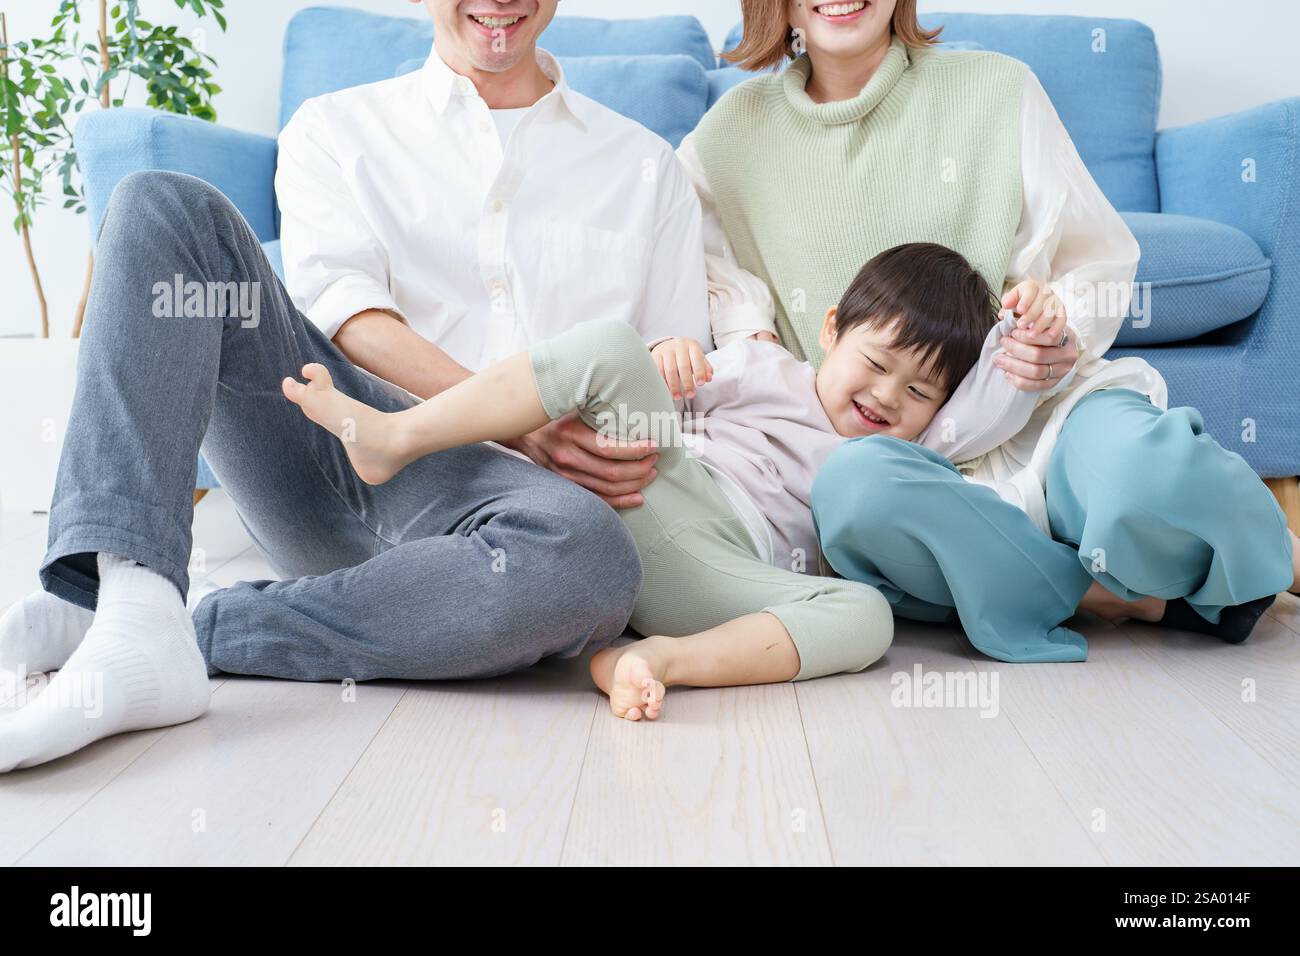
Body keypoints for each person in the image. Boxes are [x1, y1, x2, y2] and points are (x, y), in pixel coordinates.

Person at [0, 0, 708, 772]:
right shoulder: (336, 128)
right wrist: (516, 414)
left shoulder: (645, 166)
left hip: (525, 513)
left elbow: (673, 369)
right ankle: (129, 589)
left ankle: (170, 621)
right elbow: (349, 318)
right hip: (332, 438)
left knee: (593, 562)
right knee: (161, 207)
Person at [280, 242, 1145, 721]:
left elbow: (994, 395)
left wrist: (1027, 313)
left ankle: (656, 660)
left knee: (867, 617)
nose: (886, 397)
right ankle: (398, 435)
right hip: (654, 483)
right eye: (875, 364)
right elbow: (656, 393)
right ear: (830, 329)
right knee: (616, 347)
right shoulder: (766, 367)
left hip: (722, 572)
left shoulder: (910, 449)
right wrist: (671, 357)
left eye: (919, 391)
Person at [680, 0, 1299, 661]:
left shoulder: (997, 88)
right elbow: (717, 295)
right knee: (853, 499)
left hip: (1041, 410)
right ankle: (1105, 594)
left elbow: (1096, 258)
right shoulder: (724, 141)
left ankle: (1273, 562)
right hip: (895, 459)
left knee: (1149, 479)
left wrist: (1054, 322)